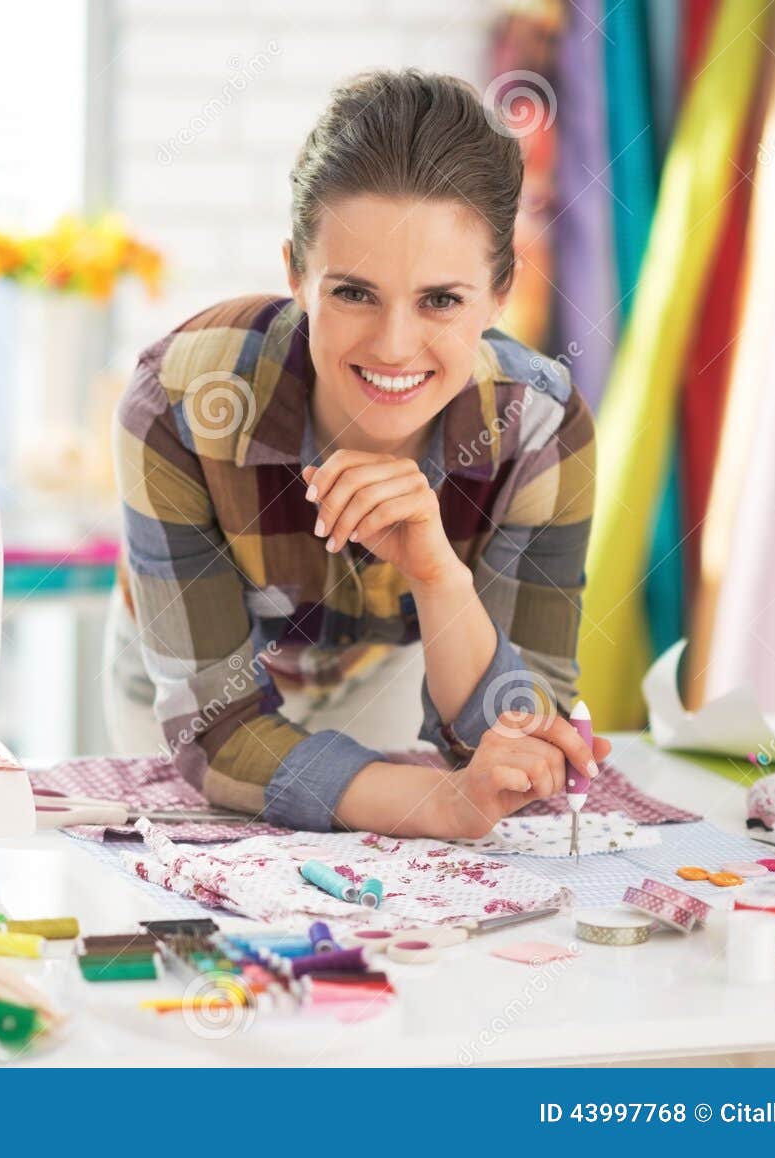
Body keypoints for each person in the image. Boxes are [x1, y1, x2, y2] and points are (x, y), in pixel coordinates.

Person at [105, 69, 609, 839]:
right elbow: (215, 731)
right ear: (296, 275)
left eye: (441, 299)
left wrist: (438, 575)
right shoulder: (180, 403)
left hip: (384, 667)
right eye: (353, 293)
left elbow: (517, 737)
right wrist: (437, 802)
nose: (395, 345)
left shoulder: (539, 427)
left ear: (500, 293)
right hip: (190, 687)